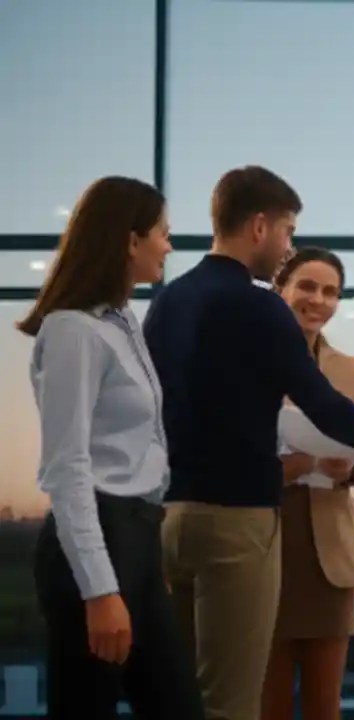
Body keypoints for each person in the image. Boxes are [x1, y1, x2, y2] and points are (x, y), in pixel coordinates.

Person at [142, 166, 354, 720]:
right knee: (233, 704)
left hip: (169, 518)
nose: (288, 245)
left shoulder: (166, 303)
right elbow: (320, 401)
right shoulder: (259, 304)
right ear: (261, 226)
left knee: (182, 695)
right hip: (236, 523)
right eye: (288, 231)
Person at [19, 176, 205, 719]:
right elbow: (67, 470)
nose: (169, 247)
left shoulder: (123, 322)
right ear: (130, 241)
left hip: (137, 538)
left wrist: (146, 559)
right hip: (95, 540)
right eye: (163, 234)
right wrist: (100, 589)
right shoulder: (73, 331)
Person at [260, 247, 354, 720]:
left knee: (326, 706)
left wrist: (349, 468)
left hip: (330, 557)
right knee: (269, 705)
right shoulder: (244, 362)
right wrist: (290, 463)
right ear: (279, 289)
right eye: (307, 286)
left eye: (331, 292)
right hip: (262, 547)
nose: (318, 300)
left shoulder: (351, 369)